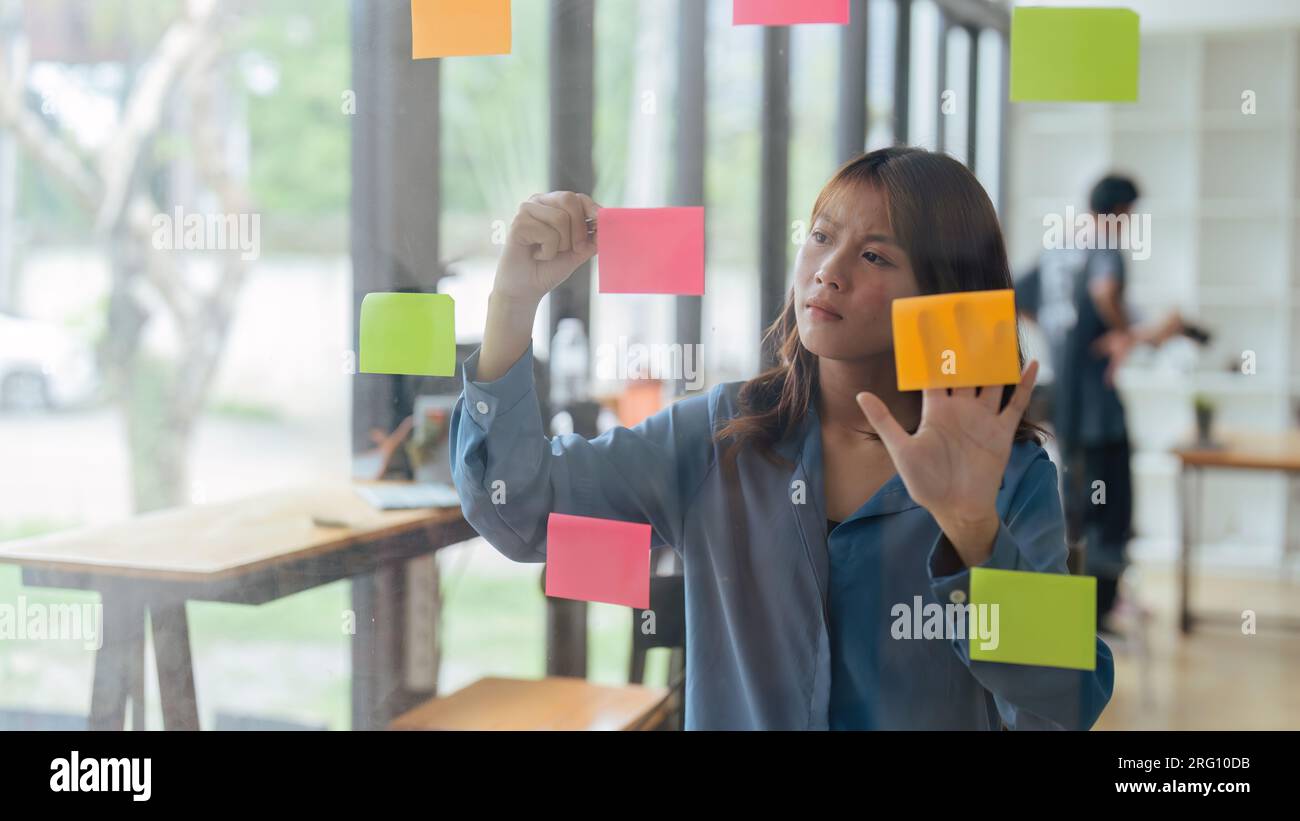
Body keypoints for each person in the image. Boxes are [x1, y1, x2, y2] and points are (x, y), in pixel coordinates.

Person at [452, 147, 1114, 730]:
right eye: (821, 236)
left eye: (875, 254)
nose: (828, 270)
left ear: (946, 293)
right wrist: (512, 303)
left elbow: (1061, 707)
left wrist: (973, 531)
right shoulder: (719, 435)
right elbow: (519, 514)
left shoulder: (1009, 473)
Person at [1015, 175, 1186, 630]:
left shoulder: (1059, 250)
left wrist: (1059, 337)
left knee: (1076, 507)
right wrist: (1125, 334)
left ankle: (1078, 613)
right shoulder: (1106, 246)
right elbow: (1103, 291)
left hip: (1066, 405)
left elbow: (1016, 294)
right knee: (1112, 509)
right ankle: (1098, 614)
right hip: (1098, 409)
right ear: (1122, 211)